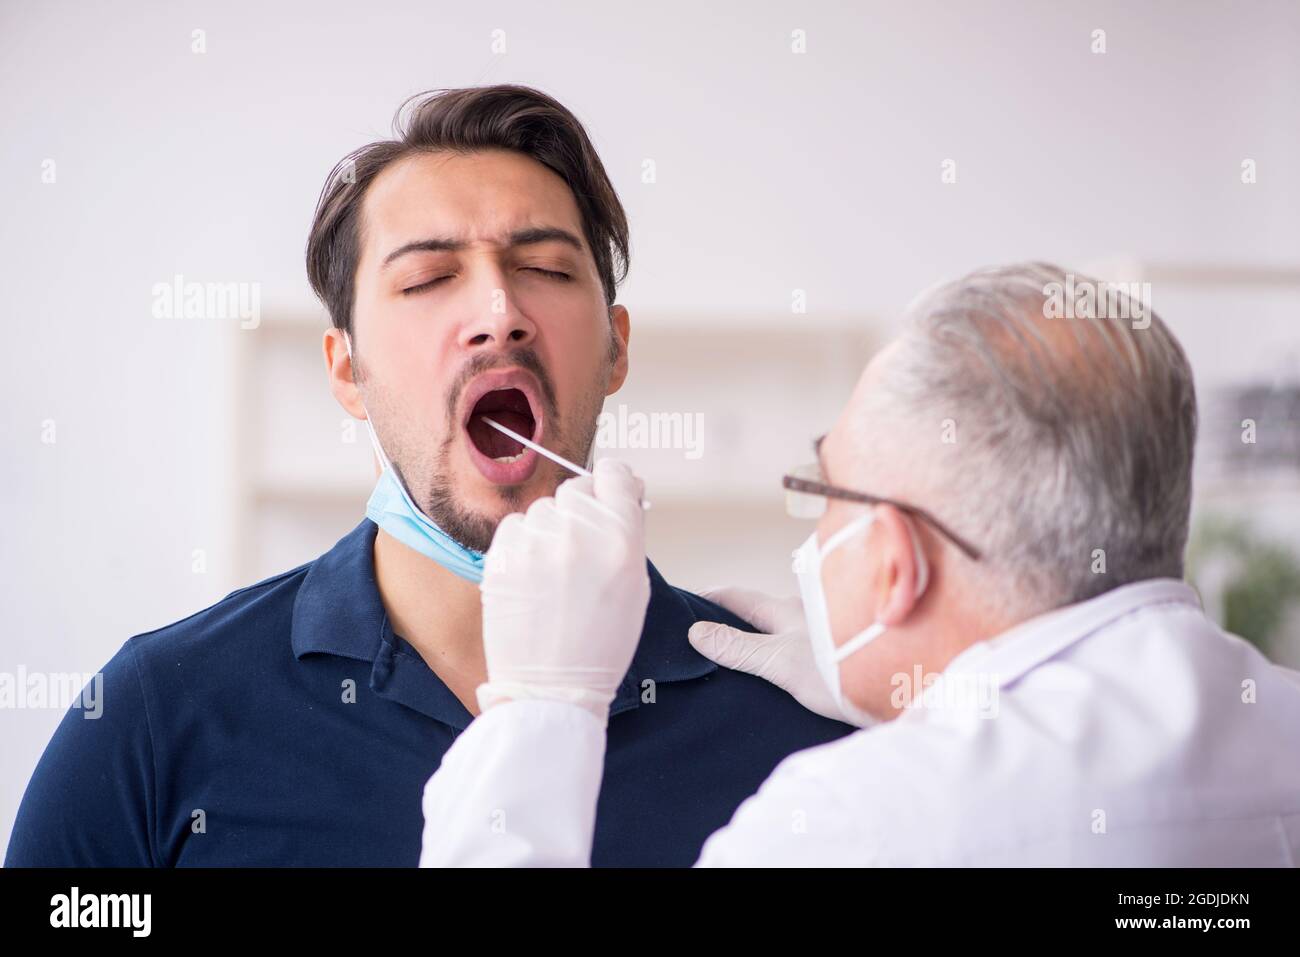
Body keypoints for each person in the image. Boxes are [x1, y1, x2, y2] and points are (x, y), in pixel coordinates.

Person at [4, 85, 851, 868]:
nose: (499, 315)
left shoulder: (797, 722)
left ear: (616, 345)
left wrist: (930, 712)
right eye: (427, 278)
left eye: (547, 270)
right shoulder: (157, 712)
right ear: (346, 370)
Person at [420, 262, 1300, 867]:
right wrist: (921, 692)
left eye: (825, 487)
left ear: (895, 565)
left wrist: (540, 712)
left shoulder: (842, 826)